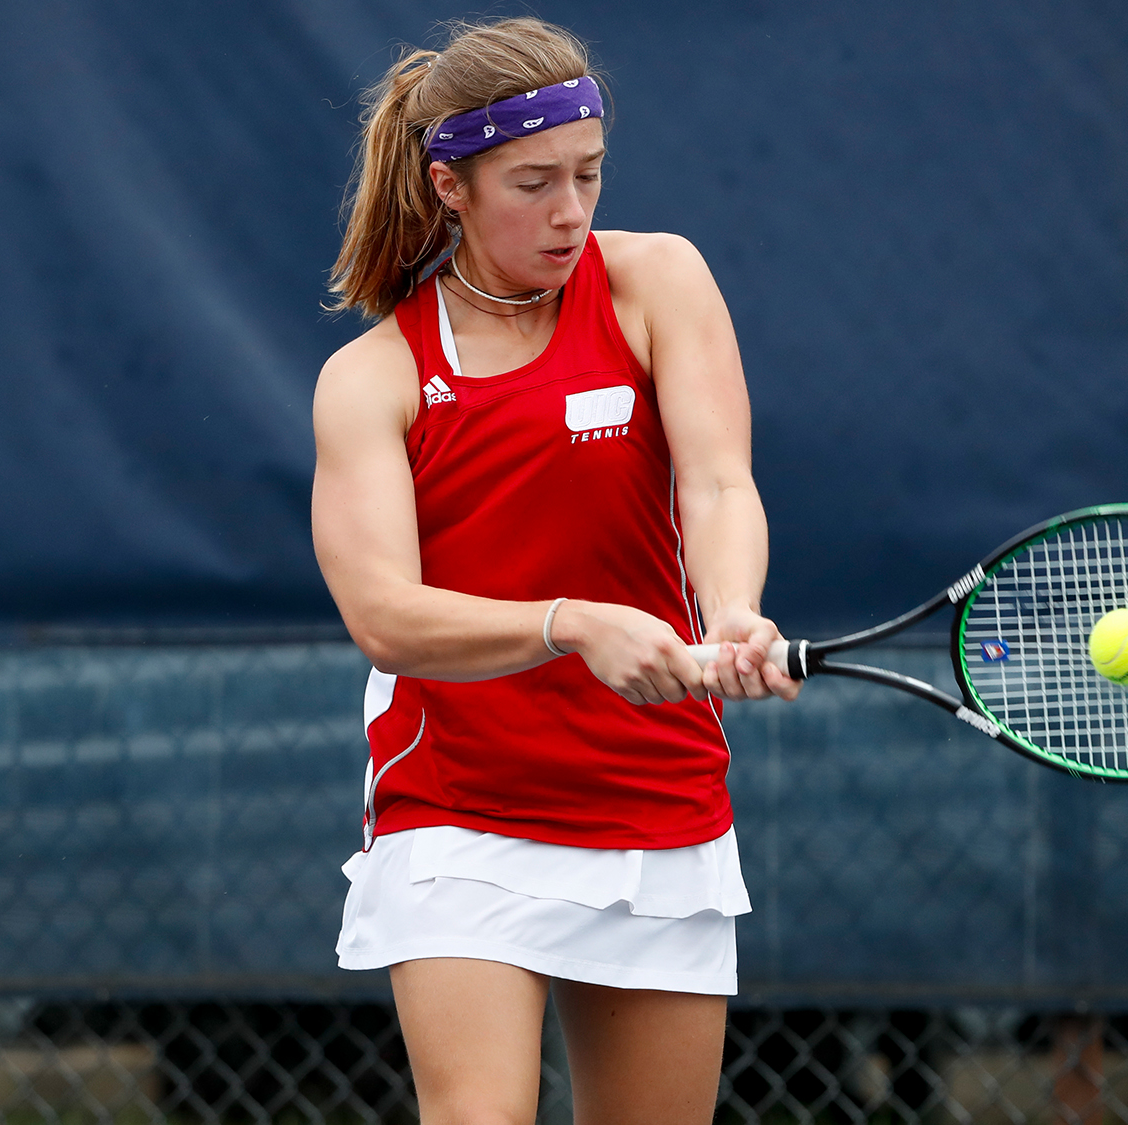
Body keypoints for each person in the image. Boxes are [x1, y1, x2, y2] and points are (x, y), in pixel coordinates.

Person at [310, 17, 801, 1125]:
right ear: (449, 187)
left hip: (654, 799)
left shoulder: (656, 281)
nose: (570, 210)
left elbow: (719, 485)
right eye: (532, 183)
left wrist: (730, 613)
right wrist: (569, 624)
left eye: (587, 174)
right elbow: (383, 613)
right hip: (459, 814)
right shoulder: (372, 379)